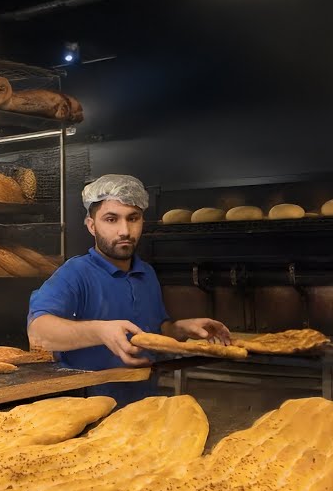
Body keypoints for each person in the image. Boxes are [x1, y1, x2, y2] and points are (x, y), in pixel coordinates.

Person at [27, 173, 231, 406]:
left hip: (144, 404)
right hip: (90, 410)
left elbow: (153, 332)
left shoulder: (146, 273)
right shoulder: (75, 273)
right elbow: (38, 334)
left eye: (133, 218)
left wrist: (181, 329)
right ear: (92, 226)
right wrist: (100, 331)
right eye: (111, 219)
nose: (124, 231)